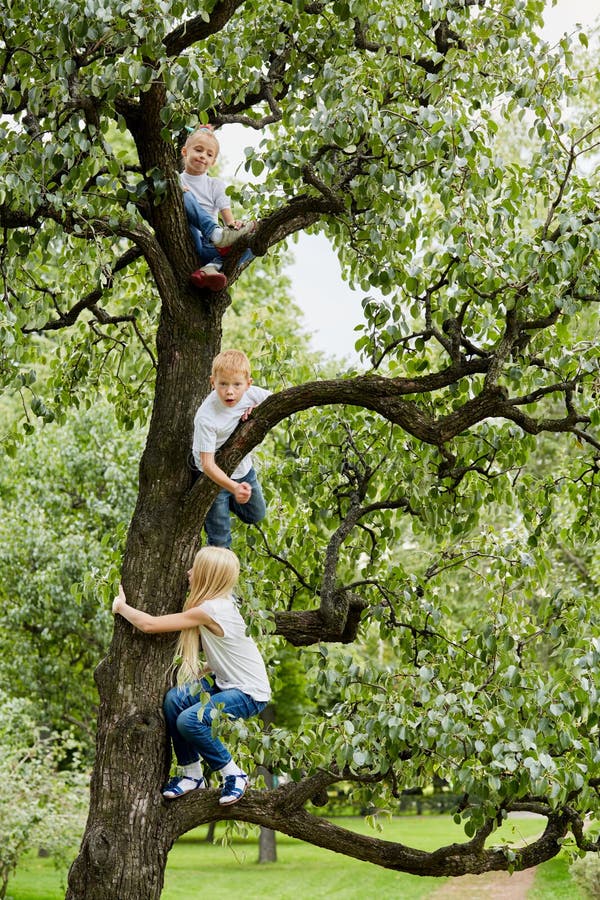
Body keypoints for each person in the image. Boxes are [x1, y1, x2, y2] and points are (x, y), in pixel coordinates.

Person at [112, 547, 271, 806]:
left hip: (249, 693)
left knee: (190, 721)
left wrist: (121, 607)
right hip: (225, 682)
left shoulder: (212, 609)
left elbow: (150, 625)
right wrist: (209, 666)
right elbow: (232, 649)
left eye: (194, 568)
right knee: (175, 699)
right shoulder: (218, 607)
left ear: (207, 575)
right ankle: (191, 774)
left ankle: (234, 774)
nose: (188, 572)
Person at [192, 349, 270, 548]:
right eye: (223, 384)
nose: (230, 391)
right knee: (220, 540)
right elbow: (208, 465)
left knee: (257, 514)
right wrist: (233, 487)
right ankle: (216, 576)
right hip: (212, 477)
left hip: (242, 469)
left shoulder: (251, 394)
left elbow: (280, 400)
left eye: (237, 385)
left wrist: (257, 408)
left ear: (248, 384)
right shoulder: (206, 417)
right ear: (212, 383)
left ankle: (231, 500)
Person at [181, 125, 257, 292]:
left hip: (210, 246)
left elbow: (226, 213)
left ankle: (211, 266)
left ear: (213, 162)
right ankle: (216, 235)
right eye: (198, 150)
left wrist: (233, 226)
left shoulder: (215, 184)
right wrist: (178, 190)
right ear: (185, 152)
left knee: (254, 246)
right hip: (189, 237)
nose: (203, 156)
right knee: (183, 195)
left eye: (209, 154)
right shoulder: (176, 180)